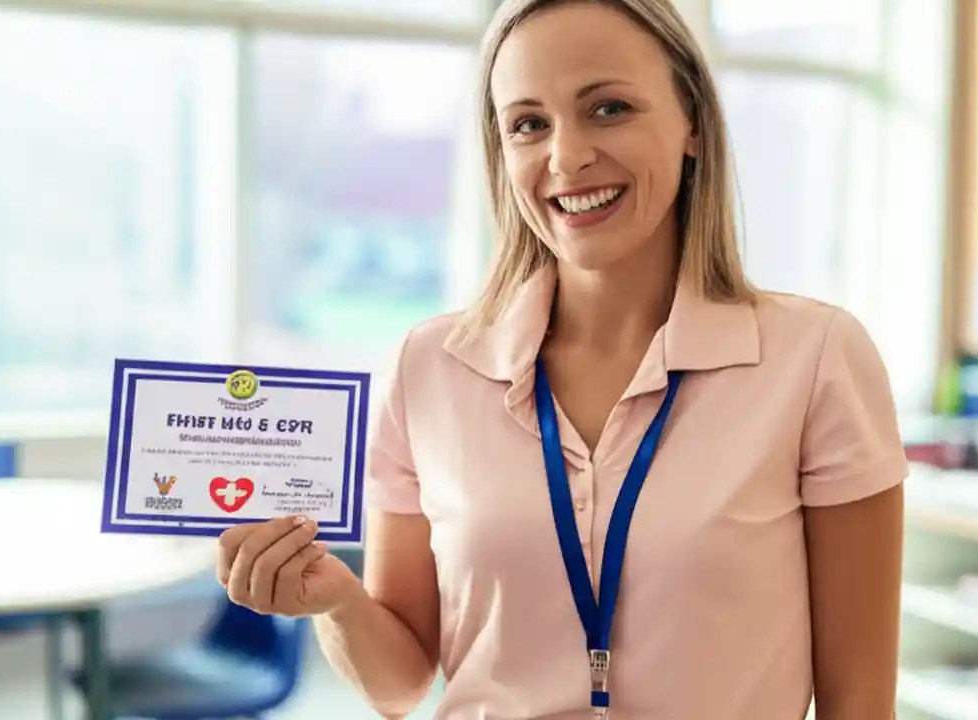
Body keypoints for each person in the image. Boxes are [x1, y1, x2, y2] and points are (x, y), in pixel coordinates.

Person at [215, 0, 907, 717]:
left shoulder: (816, 359)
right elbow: (402, 683)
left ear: (692, 122)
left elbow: (859, 700)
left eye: (608, 108)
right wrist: (335, 600)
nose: (567, 157)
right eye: (528, 124)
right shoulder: (430, 368)